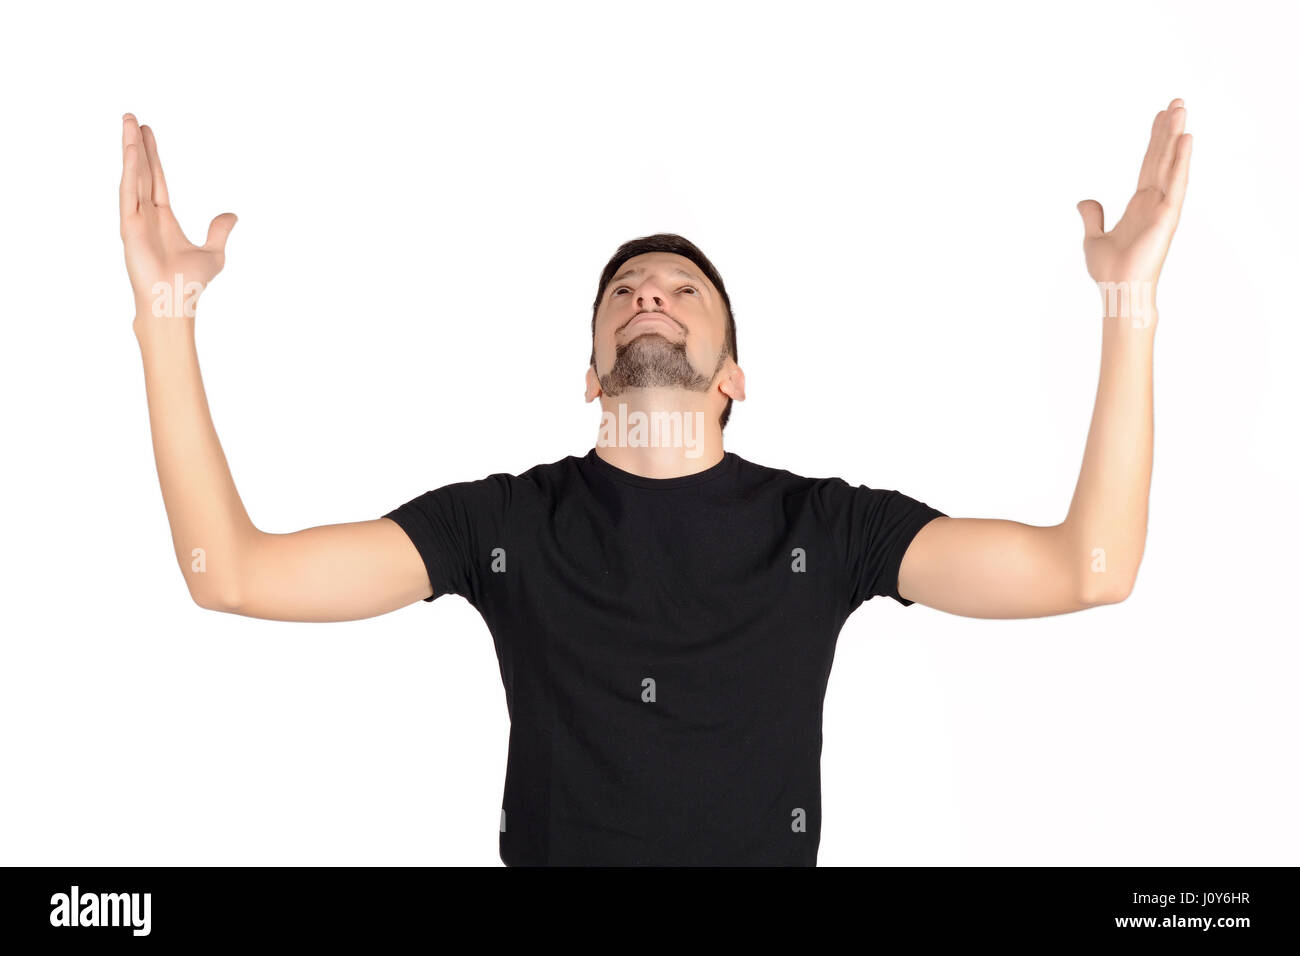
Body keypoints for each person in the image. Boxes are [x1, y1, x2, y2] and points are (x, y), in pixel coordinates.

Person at [118, 101, 1192, 865]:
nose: (650, 295)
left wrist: (1127, 302)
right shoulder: (502, 523)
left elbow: (1087, 568)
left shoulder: (826, 526)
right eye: (625, 288)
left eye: (683, 289)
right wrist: (165, 314)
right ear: (590, 375)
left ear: (732, 376)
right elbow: (235, 574)